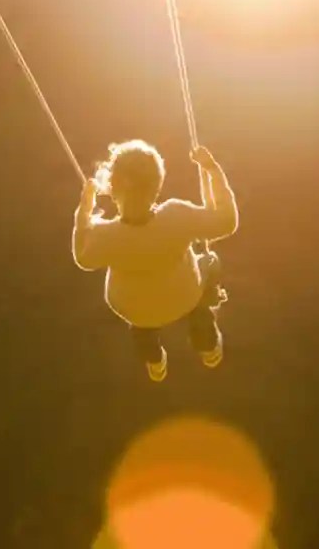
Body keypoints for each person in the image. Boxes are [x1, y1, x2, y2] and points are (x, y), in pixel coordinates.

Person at [72, 140, 237, 381]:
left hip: (133, 307)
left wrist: (85, 208)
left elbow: (83, 257)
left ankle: (154, 360)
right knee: (210, 262)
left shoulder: (105, 236)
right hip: (184, 296)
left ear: (112, 186)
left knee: (141, 322)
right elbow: (226, 221)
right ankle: (208, 344)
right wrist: (212, 170)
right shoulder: (177, 216)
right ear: (157, 184)